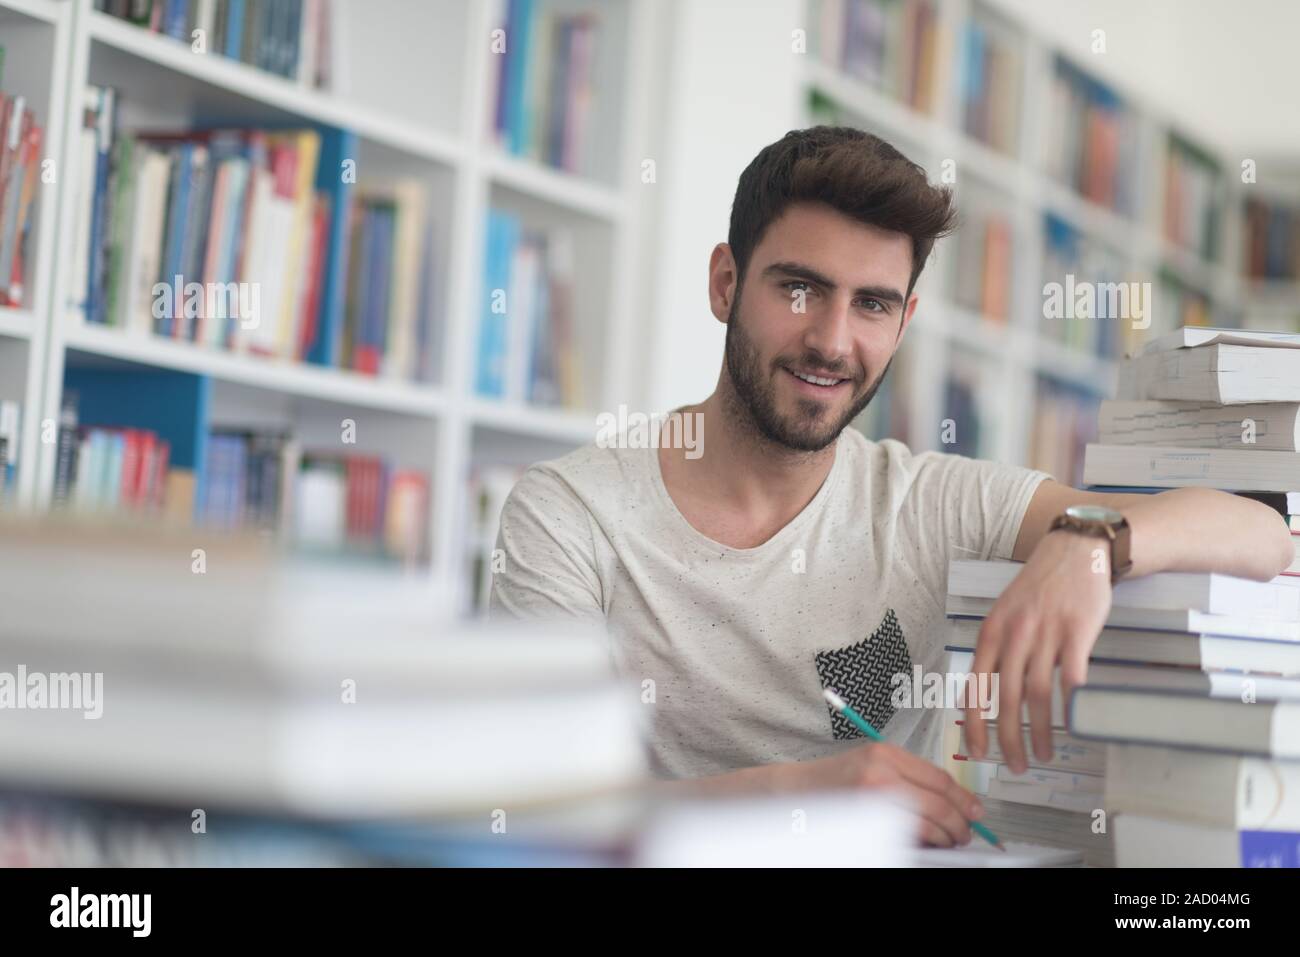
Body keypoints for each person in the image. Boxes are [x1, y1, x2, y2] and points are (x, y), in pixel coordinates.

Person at [488, 126, 1293, 847]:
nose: (832, 340)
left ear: (903, 322)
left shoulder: (930, 503)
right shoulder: (571, 513)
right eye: (799, 289)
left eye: (870, 303)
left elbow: (1267, 536)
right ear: (726, 284)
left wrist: (1088, 541)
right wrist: (804, 793)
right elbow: (534, 806)